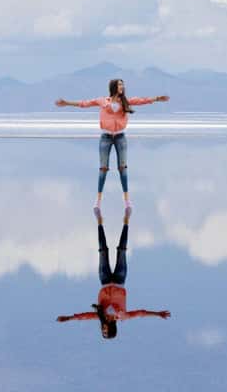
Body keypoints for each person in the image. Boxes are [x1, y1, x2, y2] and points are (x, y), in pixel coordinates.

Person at [55, 78, 169, 211]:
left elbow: (141, 100)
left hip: (120, 137)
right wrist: (67, 103)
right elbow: (84, 103)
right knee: (103, 169)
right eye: (120, 84)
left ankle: (126, 200)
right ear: (114, 86)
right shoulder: (102, 101)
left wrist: (156, 99)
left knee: (123, 168)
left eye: (123, 84)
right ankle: (98, 200)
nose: (122, 86)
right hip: (106, 137)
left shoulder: (125, 101)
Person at [56, 207, 170, 338]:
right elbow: (141, 313)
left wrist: (69, 318)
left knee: (103, 250)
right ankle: (126, 221)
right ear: (111, 329)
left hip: (104, 281)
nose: (102, 330)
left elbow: (85, 316)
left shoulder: (101, 316)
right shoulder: (122, 317)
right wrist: (157, 314)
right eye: (105, 332)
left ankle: (99, 221)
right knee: (122, 250)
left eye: (102, 332)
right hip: (119, 280)